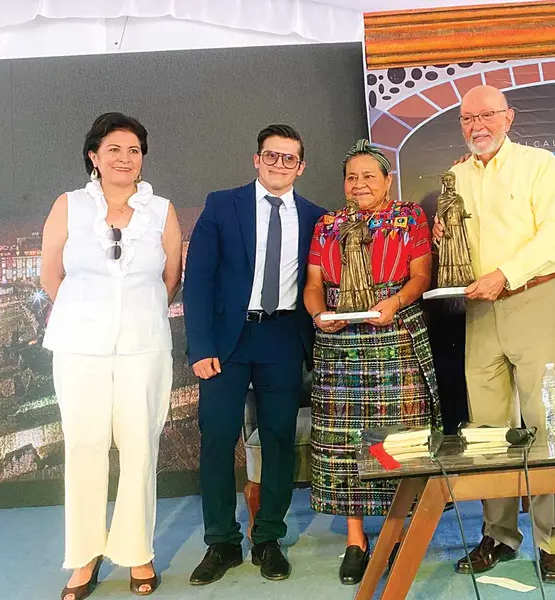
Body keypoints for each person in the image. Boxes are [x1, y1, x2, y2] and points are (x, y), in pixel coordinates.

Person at [435, 85, 555, 582]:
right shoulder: (454, 176)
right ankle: (498, 534)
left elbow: (554, 238)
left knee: (548, 422)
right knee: (488, 428)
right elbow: (454, 247)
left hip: (533, 298)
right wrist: (443, 240)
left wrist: (505, 275)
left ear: (508, 117)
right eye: (467, 118)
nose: (477, 125)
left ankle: (552, 541)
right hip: (479, 310)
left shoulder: (539, 165)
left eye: (487, 115)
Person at [41, 112, 183, 599]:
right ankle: (84, 556)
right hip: (79, 347)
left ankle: (137, 550)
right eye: (114, 149)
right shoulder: (69, 205)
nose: (125, 158)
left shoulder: (161, 210)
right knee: (84, 446)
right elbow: (50, 274)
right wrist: (89, 315)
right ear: (94, 156)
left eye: (134, 150)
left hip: (144, 346)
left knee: (140, 447)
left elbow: (170, 278)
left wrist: (134, 317)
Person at [183, 124, 326, 585]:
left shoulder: (317, 217)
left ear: (300, 167)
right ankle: (221, 542)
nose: (279, 164)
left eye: (289, 158)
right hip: (227, 340)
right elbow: (197, 280)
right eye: (271, 155)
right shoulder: (221, 205)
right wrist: (200, 345)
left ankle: (268, 539)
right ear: (256, 159)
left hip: (282, 337)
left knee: (279, 440)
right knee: (218, 438)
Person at [303, 139, 442, 585]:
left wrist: (395, 302)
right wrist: (318, 314)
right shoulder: (327, 225)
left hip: (395, 329)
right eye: (352, 177)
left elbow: (421, 275)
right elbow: (314, 283)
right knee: (346, 440)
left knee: (399, 436)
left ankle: (399, 533)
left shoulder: (409, 216)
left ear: (387, 180)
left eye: (368, 176)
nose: (359, 184)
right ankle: (355, 539)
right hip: (340, 341)